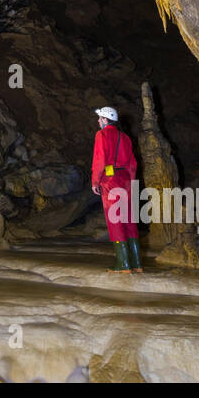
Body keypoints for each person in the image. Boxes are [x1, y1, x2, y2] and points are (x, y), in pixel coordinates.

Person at [90, 106, 142, 273]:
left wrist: (95, 181)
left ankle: (123, 264)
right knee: (128, 218)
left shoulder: (102, 135)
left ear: (105, 120)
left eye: (100, 118)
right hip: (126, 179)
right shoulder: (125, 137)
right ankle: (137, 264)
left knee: (115, 219)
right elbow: (133, 163)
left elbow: (100, 160)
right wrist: (131, 182)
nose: (98, 121)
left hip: (110, 179)